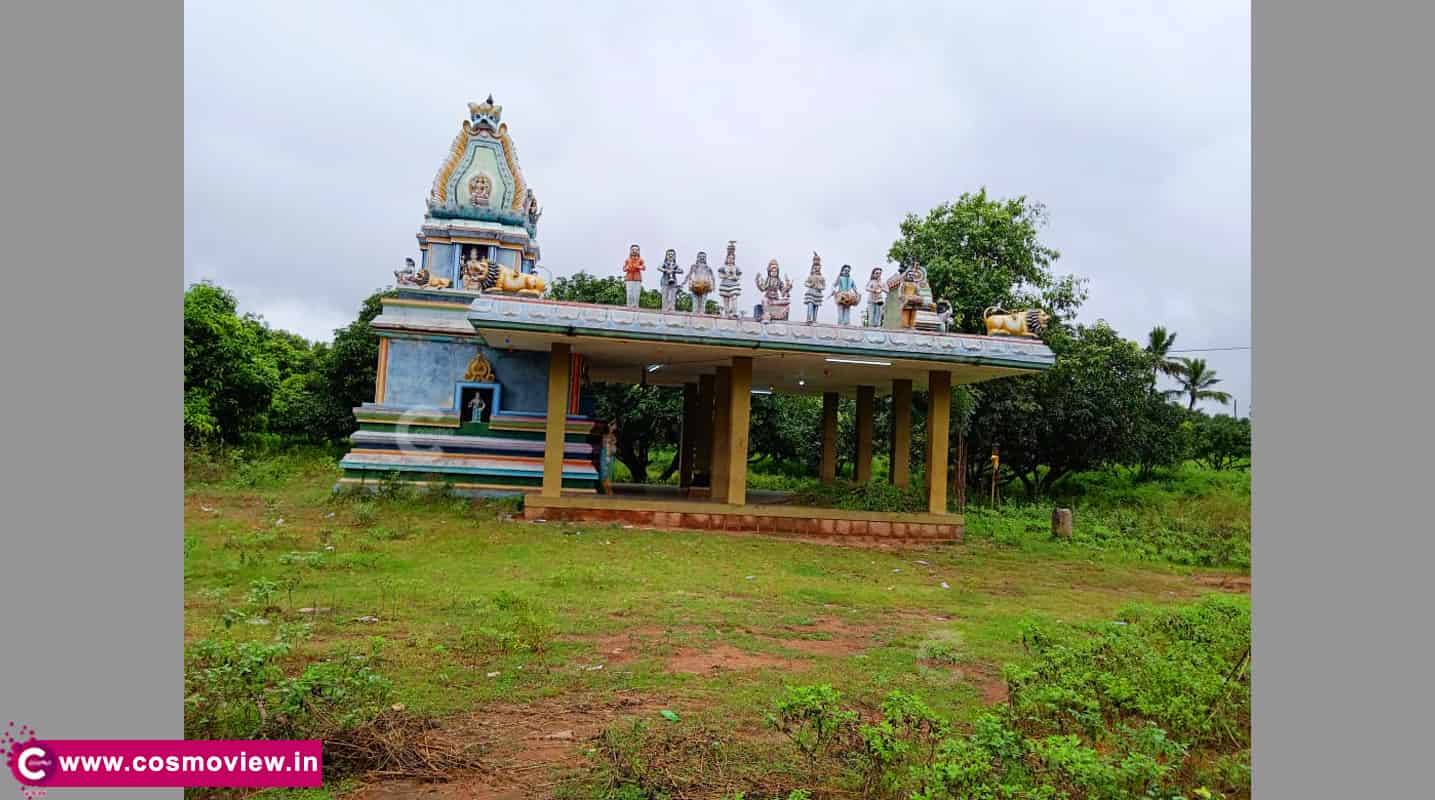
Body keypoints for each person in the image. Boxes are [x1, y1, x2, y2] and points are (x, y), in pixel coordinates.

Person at [717, 240, 742, 317]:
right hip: (725, 283)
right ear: (727, 259)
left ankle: (734, 312)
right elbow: (720, 275)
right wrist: (725, 276)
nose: (730, 260)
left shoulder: (736, 267)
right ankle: (727, 313)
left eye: (732, 259)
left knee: (734, 297)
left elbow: (738, 276)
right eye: (729, 258)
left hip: (733, 284)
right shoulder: (723, 267)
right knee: (726, 299)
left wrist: (735, 277)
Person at [802, 252, 826, 324]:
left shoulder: (821, 278)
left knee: (816, 306)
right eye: (815, 268)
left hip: (818, 292)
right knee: (810, 304)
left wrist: (820, 287)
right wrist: (810, 284)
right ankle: (809, 318)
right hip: (811, 291)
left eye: (818, 268)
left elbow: (824, 286)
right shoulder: (810, 276)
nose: (816, 269)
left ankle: (814, 319)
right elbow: (805, 283)